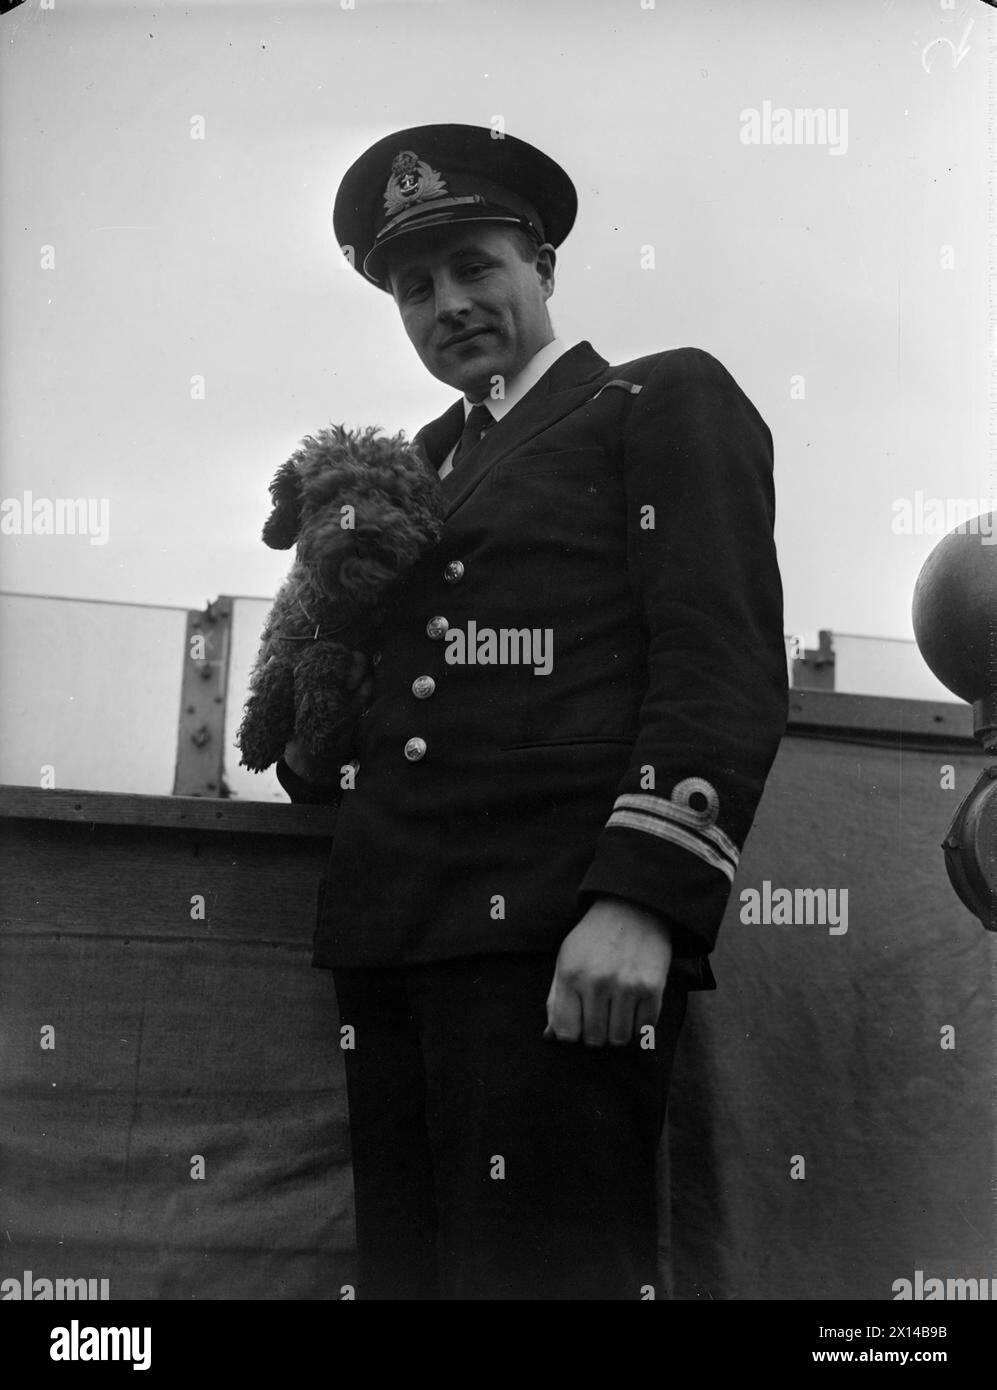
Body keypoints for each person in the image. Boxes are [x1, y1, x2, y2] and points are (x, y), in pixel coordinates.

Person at [275, 123, 788, 1300]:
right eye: (415, 287)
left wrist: (642, 904)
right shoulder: (408, 469)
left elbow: (718, 660)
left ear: (542, 267)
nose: (447, 304)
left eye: (476, 267)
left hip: (557, 946)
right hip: (395, 942)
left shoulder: (659, 398)